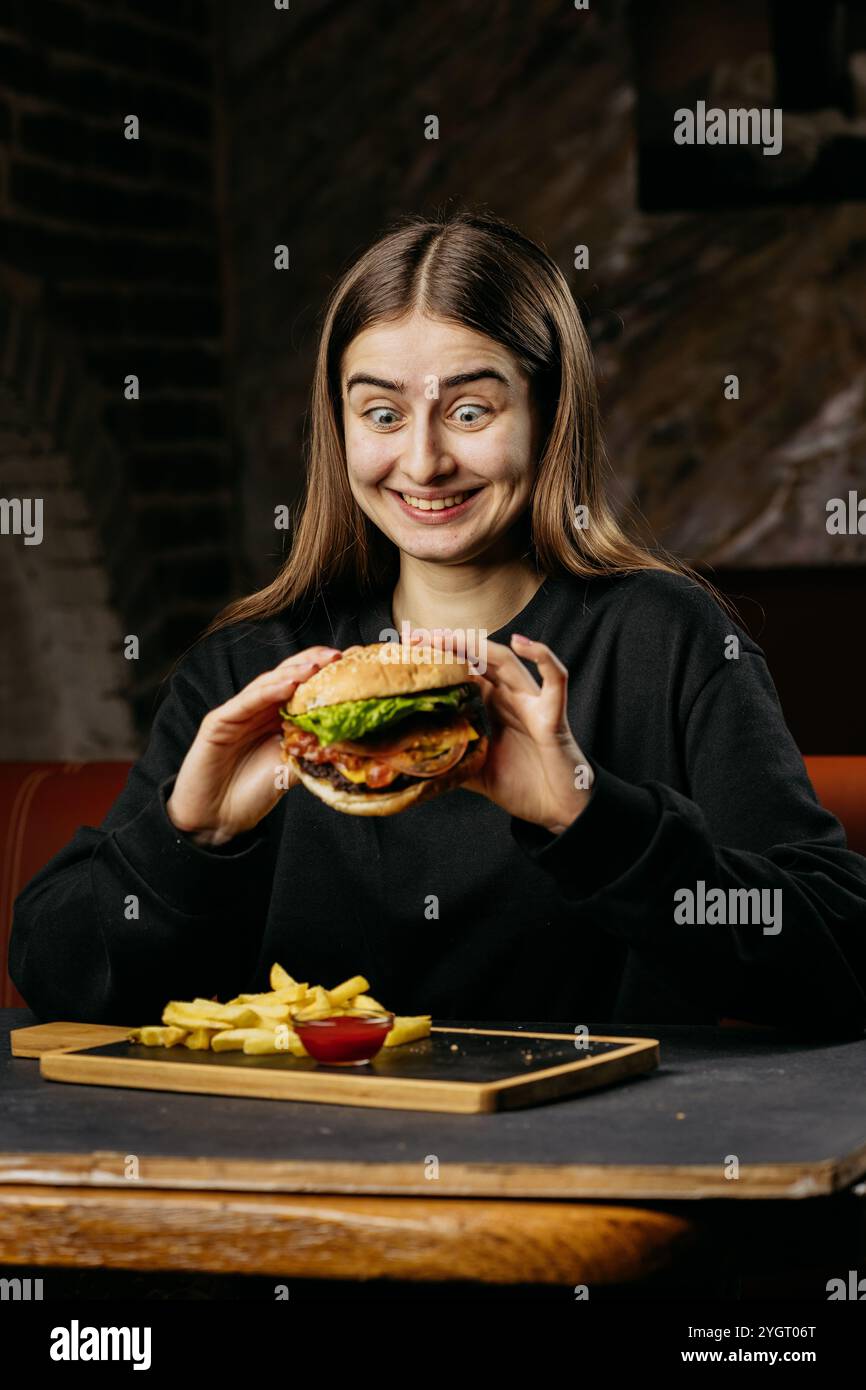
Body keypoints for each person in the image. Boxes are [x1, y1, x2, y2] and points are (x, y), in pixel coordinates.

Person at [10, 210, 866, 1033]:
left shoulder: (664, 639)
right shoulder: (250, 667)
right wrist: (189, 835)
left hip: (594, 1161)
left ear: (547, 414)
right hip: (294, 1160)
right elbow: (56, 972)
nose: (423, 460)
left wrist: (591, 820)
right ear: (340, 427)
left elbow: (845, 955)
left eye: (469, 411)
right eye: (381, 414)